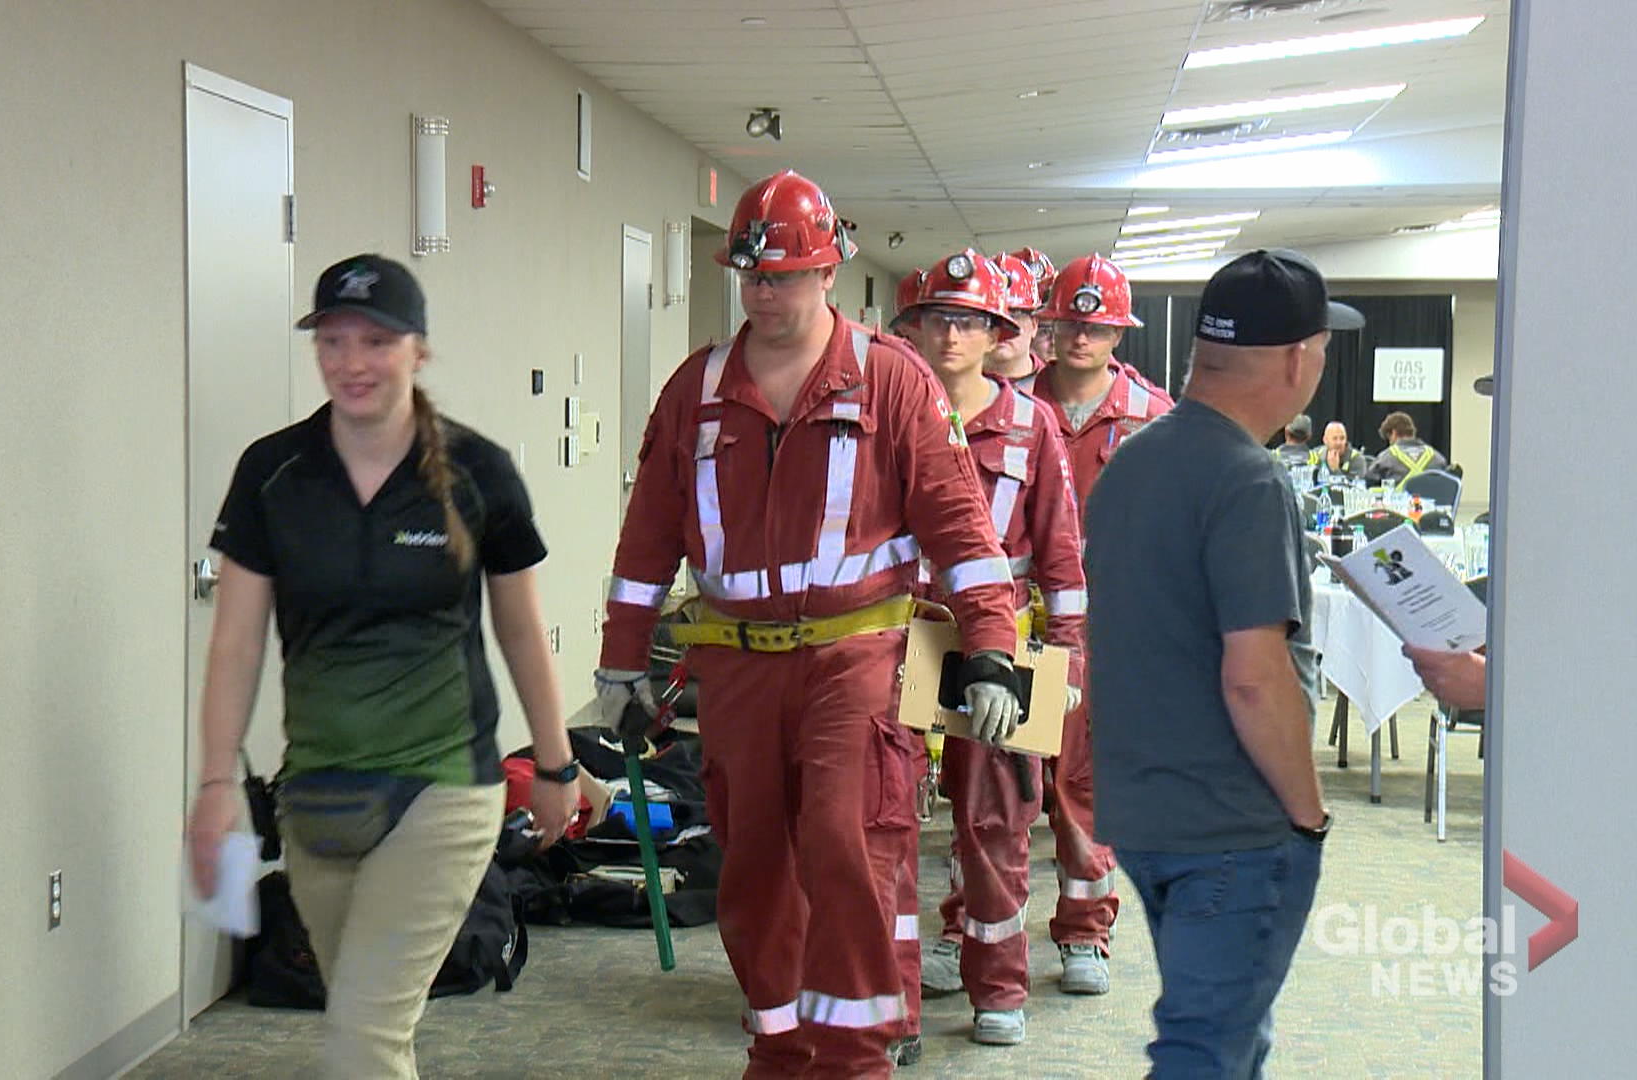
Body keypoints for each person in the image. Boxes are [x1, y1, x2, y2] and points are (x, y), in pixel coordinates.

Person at [595, 170, 1024, 1079]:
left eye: (785, 276)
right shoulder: (697, 389)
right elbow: (646, 540)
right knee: (751, 866)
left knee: (844, 840)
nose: (766, 292)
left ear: (829, 272)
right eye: (753, 277)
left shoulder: (892, 379)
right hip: (738, 668)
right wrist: (620, 666)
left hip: (856, 657)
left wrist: (991, 649)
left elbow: (962, 529)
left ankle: (857, 1057)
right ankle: (780, 1047)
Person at [184, 254, 578, 1079]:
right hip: (319, 794)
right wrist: (218, 782)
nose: (352, 362)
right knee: (368, 1030)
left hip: (443, 787)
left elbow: (519, 628)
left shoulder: (477, 473)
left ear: (418, 350)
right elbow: (237, 641)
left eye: (376, 340)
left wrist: (555, 763)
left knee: (358, 1045)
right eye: (333, 340)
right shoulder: (274, 474)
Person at [1087, 248, 1362, 1077]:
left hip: (1146, 811)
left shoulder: (1131, 462)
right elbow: (1254, 674)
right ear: (1296, 359)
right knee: (1206, 1045)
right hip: (1232, 824)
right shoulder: (1249, 481)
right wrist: (1307, 813)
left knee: (1228, 1028)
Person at [896, 249, 1087, 1048]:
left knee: (999, 821)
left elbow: (1061, 552)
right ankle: (889, 1000)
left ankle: (999, 988)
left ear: (995, 334)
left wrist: (1069, 654)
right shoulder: (888, 409)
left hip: (996, 643)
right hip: (897, 635)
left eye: (970, 321)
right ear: (912, 328)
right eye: (938, 319)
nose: (952, 336)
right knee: (883, 824)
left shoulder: (1031, 423)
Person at [999, 252, 1173, 996]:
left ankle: (1083, 927)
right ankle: (971, 930)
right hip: (1010, 621)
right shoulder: (1002, 405)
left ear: (1117, 334)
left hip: (1105, 628)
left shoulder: (1154, 418)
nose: (1079, 338)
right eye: (1069, 321)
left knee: (1084, 782)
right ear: (1049, 324)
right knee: (998, 781)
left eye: (1095, 326)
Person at [981, 252, 1046, 384]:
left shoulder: (1058, 388)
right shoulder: (946, 388)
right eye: (992, 317)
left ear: (1034, 325)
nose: (1002, 326)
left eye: (1014, 315)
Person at [1366, 410, 1448, 485]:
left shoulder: (1387, 456)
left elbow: (1370, 479)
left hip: (1398, 500)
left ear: (1393, 433)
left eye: (1389, 439)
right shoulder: (1437, 457)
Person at [1318, 420, 1365, 484]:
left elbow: (1353, 488)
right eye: (1335, 438)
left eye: (1342, 438)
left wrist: (1335, 470)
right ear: (1325, 440)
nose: (1339, 442)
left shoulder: (1357, 459)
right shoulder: (1318, 454)